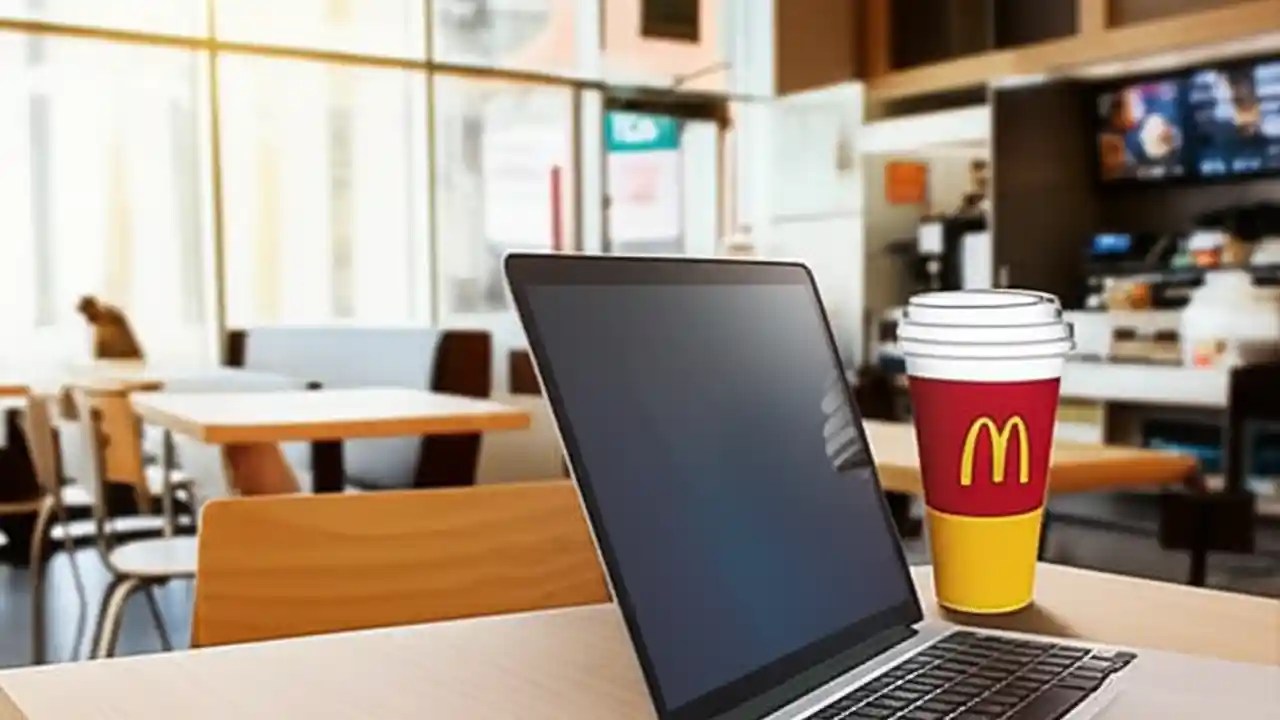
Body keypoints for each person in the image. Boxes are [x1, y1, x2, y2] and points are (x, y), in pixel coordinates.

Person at [76, 295, 144, 360]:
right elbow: (100, 352)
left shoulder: (110, 317)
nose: (88, 320)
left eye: (89, 315)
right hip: (117, 363)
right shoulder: (101, 325)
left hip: (127, 361)